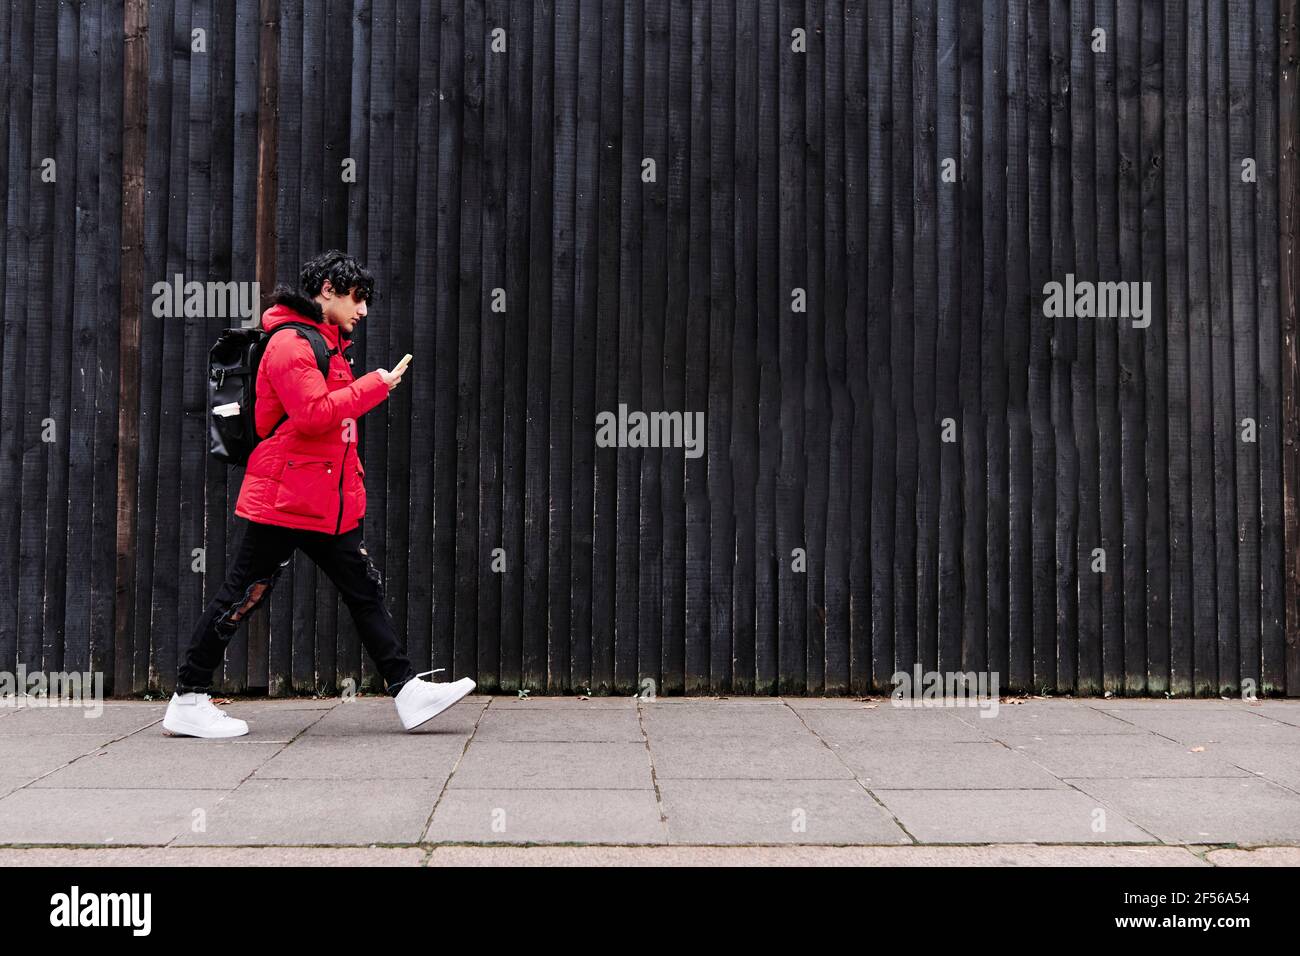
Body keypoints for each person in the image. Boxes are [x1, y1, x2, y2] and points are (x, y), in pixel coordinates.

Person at [163, 250, 474, 738]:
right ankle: (188, 697)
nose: (363, 310)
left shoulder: (323, 342)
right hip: (287, 497)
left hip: (318, 498)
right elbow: (312, 415)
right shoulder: (291, 342)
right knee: (243, 592)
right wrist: (375, 385)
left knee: (361, 587)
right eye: (357, 298)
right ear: (327, 288)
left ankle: (408, 691)